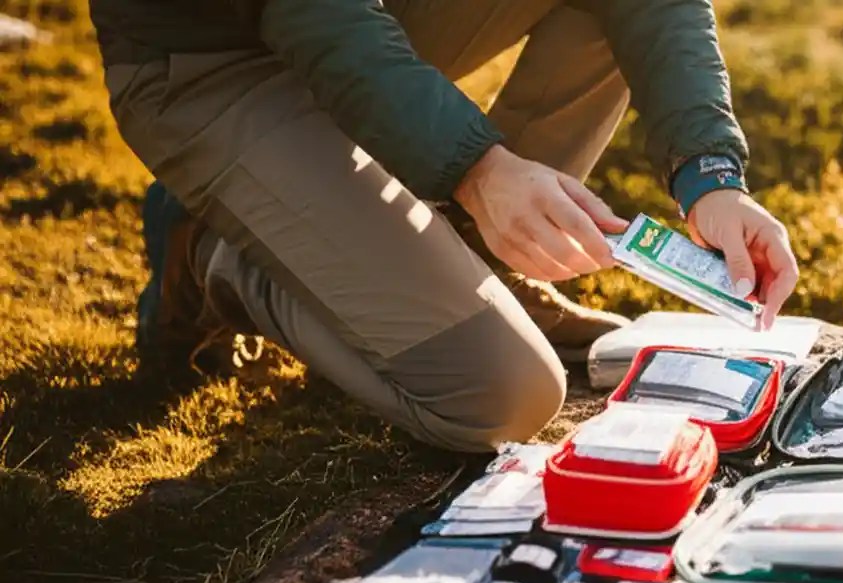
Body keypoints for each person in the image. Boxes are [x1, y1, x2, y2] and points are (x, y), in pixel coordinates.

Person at [89, 0, 800, 452]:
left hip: (370, 16)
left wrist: (710, 175)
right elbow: (319, 21)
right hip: (207, 61)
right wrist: (480, 172)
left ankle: (470, 261)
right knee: (501, 394)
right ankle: (227, 261)